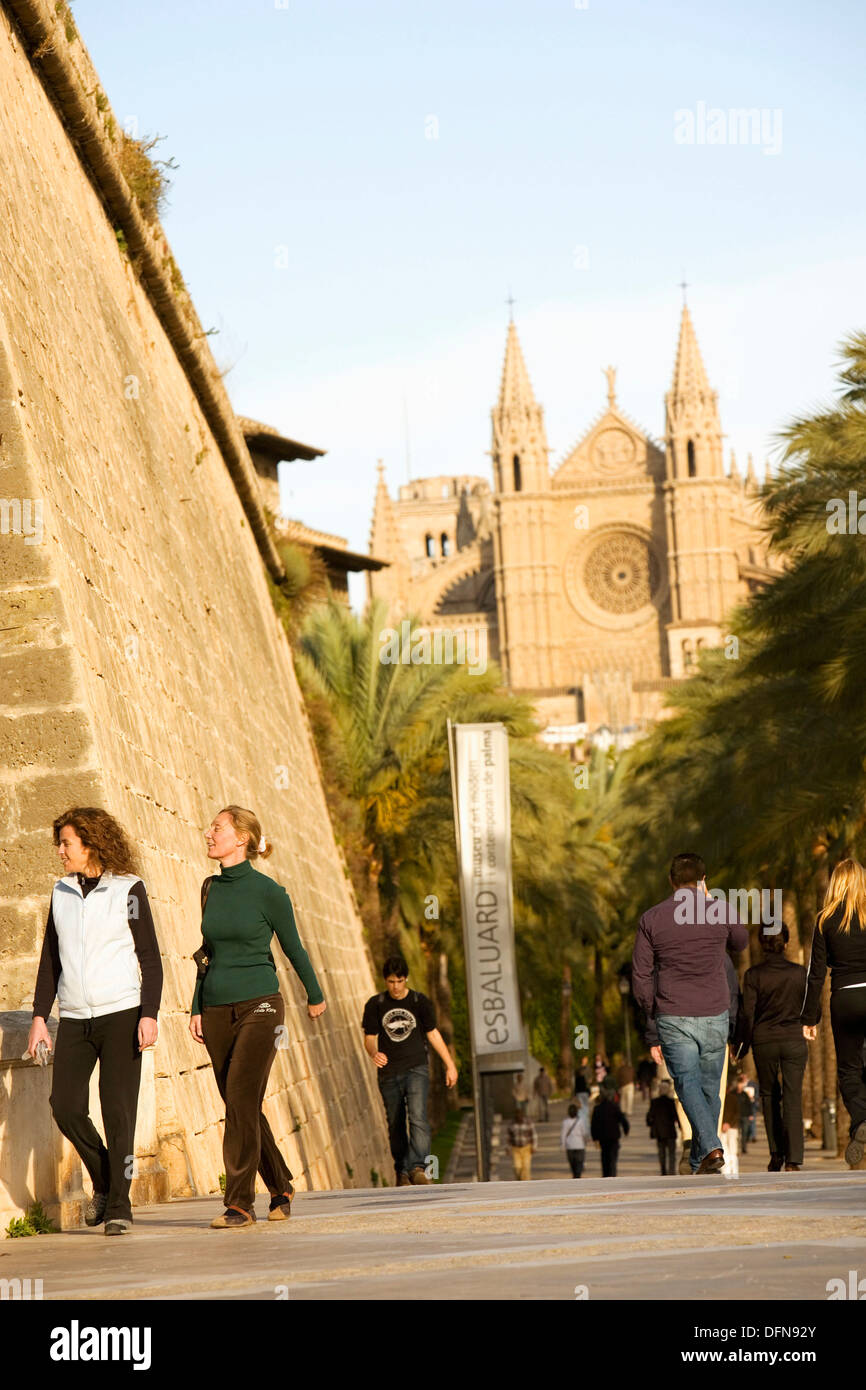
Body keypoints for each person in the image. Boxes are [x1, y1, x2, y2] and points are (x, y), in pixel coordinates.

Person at [27, 807, 163, 1236]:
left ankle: (119, 1206)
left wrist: (149, 1014)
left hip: (121, 1014)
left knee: (118, 1113)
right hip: (75, 1017)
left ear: (90, 843)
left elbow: (150, 959)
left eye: (66, 843)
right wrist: (38, 1018)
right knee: (64, 1106)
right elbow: (51, 961)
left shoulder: (129, 889)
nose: (60, 851)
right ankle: (105, 1177)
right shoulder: (61, 891)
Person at [189, 806, 326, 1228]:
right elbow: (206, 954)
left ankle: (239, 1203)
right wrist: (196, 1005)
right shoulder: (210, 888)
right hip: (215, 1008)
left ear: (242, 838)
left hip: (261, 1005)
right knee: (240, 1101)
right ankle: (281, 1183)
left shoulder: (270, 892)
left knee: (241, 1098)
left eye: (219, 828)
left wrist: (314, 994)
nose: (209, 833)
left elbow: (293, 948)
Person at [632, 852, 748, 1175]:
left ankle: (703, 1153)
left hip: (673, 1013)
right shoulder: (718, 909)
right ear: (703, 880)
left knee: (687, 1082)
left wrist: (650, 1008)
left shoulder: (651, 918)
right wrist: (712, 902)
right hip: (714, 1013)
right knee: (710, 1088)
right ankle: (708, 1150)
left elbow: (641, 974)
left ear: (671, 882)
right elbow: (741, 942)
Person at [363, 954, 458, 1186]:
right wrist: (374, 1053)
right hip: (388, 1073)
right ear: (385, 981)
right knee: (395, 1124)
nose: (396, 986)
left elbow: (433, 1034)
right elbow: (369, 1038)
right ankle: (402, 1170)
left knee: (418, 1117)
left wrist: (450, 1064)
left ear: (406, 979)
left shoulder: (418, 1002)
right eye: (391, 982)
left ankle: (417, 1167)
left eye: (400, 981)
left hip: (416, 1068)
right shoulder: (375, 1005)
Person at [802, 858, 866, 1168]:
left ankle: (861, 1121)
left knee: (849, 1070)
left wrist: (809, 1017)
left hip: (844, 997)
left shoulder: (825, 919)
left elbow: (815, 973)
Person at [741, 924, 807, 1172]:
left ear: (760, 943)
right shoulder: (799, 973)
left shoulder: (753, 975)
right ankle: (794, 1159)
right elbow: (810, 1007)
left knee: (769, 1095)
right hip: (793, 1039)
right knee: (793, 1096)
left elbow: (748, 1015)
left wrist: (742, 1045)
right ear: (786, 943)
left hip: (764, 1041)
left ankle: (776, 1154)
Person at [590, 1089, 629, 1176]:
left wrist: (595, 1137)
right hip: (613, 1137)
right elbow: (623, 1120)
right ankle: (613, 1174)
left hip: (603, 1138)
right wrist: (626, 1130)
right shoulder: (614, 1107)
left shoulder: (597, 1109)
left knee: (604, 1157)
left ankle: (606, 1174)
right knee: (613, 1157)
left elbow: (593, 1124)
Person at [647, 1080, 680, 1175]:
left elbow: (649, 1116)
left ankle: (663, 1171)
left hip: (659, 1132)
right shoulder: (671, 1102)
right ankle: (672, 1171)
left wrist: (651, 1124)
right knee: (671, 1154)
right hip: (670, 1131)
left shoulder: (654, 1102)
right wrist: (680, 1126)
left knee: (662, 1154)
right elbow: (675, 1116)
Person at [507, 1107, 537, 1179]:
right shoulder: (512, 1124)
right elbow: (509, 1137)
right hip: (516, 1149)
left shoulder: (528, 1123)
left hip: (526, 1148)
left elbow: (534, 1135)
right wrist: (507, 1148)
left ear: (523, 1115)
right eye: (517, 1115)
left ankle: (526, 1184)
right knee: (517, 1167)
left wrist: (534, 1146)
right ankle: (519, 1181)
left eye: (520, 1115)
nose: (519, 1116)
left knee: (526, 1168)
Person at [561, 1100, 589, 1176]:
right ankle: (578, 1176)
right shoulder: (581, 1121)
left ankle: (575, 1176)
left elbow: (563, 1135)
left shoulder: (565, 1122)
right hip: (580, 1145)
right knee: (579, 1164)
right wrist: (586, 1141)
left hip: (570, 1146)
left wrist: (563, 1145)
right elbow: (584, 1133)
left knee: (573, 1164)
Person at [720, 1081, 741, 1177]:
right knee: (730, 1150)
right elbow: (737, 1114)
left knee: (728, 1150)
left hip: (729, 1127)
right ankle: (731, 1172)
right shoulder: (734, 1098)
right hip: (731, 1127)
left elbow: (737, 1113)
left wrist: (726, 1124)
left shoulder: (722, 1099)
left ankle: (729, 1171)